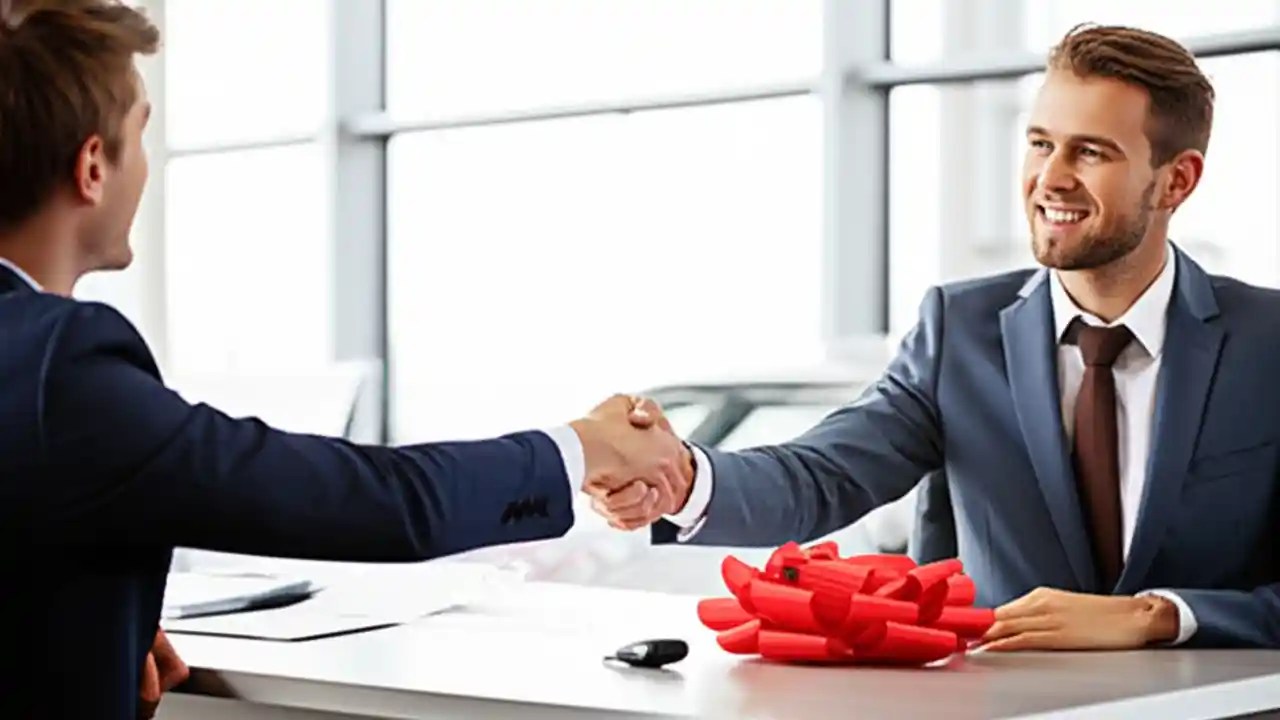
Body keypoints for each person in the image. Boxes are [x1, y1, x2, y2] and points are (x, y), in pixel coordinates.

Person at [0, 2, 687, 717]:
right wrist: (579, 450)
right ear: (92, 167)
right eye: (140, 134)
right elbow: (376, 501)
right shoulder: (61, 365)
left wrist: (83, 620)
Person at [595, 23, 1280, 650]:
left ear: (1177, 181)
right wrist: (683, 477)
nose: (1051, 178)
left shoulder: (1267, 342)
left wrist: (1162, 614)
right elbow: (823, 474)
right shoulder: (961, 331)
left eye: (1091, 152)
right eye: (1040, 143)